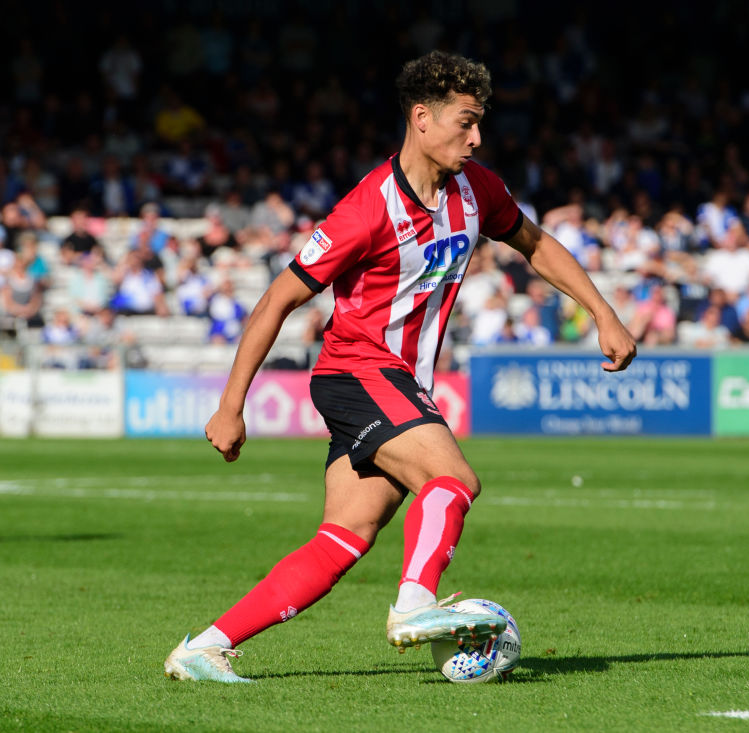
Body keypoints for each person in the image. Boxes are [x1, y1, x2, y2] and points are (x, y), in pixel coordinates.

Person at [164, 51, 636, 684]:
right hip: (358, 372)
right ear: (421, 119)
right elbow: (279, 298)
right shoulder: (366, 209)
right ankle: (414, 606)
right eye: (465, 123)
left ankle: (204, 647)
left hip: (400, 382)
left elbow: (537, 243)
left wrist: (601, 312)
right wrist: (231, 404)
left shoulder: (479, 190)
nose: (477, 137)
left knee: (346, 535)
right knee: (454, 480)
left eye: (480, 123)